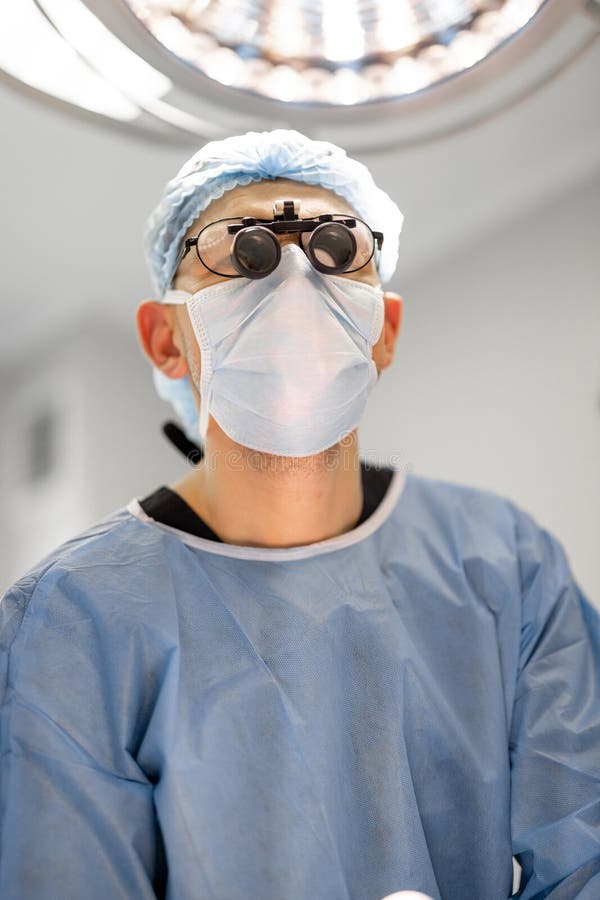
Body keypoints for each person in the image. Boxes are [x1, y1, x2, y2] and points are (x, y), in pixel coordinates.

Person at [0, 129, 598, 900]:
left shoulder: (504, 564)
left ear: (385, 330)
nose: (292, 279)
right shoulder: (69, 620)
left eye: (336, 249)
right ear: (165, 340)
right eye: (241, 249)